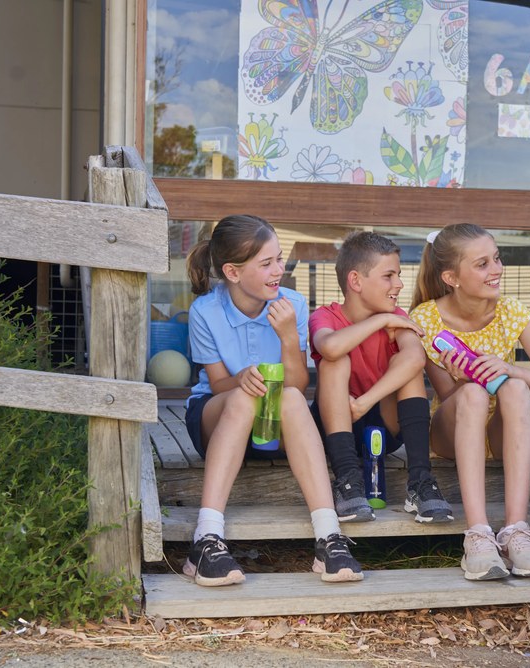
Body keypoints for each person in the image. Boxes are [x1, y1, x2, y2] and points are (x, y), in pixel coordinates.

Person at [182, 214, 362, 587]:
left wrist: (286, 336)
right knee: (244, 398)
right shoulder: (205, 311)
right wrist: (241, 379)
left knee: (292, 397)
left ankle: (328, 535)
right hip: (218, 419)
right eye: (266, 263)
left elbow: (298, 383)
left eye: (280, 258)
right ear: (232, 272)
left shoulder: (292, 305)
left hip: (275, 425)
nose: (279, 269)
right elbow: (216, 384)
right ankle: (206, 537)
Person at [408, 223, 530, 581]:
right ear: (451, 278)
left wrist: (512, 370)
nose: (496, 269)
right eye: (482, 264)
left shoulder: (511, 312)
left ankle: (517, 531)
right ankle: (478, 535)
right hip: (453, 429)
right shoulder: (426, 319)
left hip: (504, 432)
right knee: (472, 392)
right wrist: (462, 378)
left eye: (497, 259)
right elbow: (448, 397)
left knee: (516, 388)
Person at [310, 231, 453, 524]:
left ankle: (420, 482)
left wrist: (363, 403)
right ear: (355, 281)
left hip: (381, 423)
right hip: (333, 428)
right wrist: (381, 320)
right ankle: (347, 480)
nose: (399, 284)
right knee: (334, 362)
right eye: (389, 276)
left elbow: (415, 359)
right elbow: (330, 347)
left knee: (407, 368)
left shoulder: (398, 317)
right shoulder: (325, 316)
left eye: (398, 275)